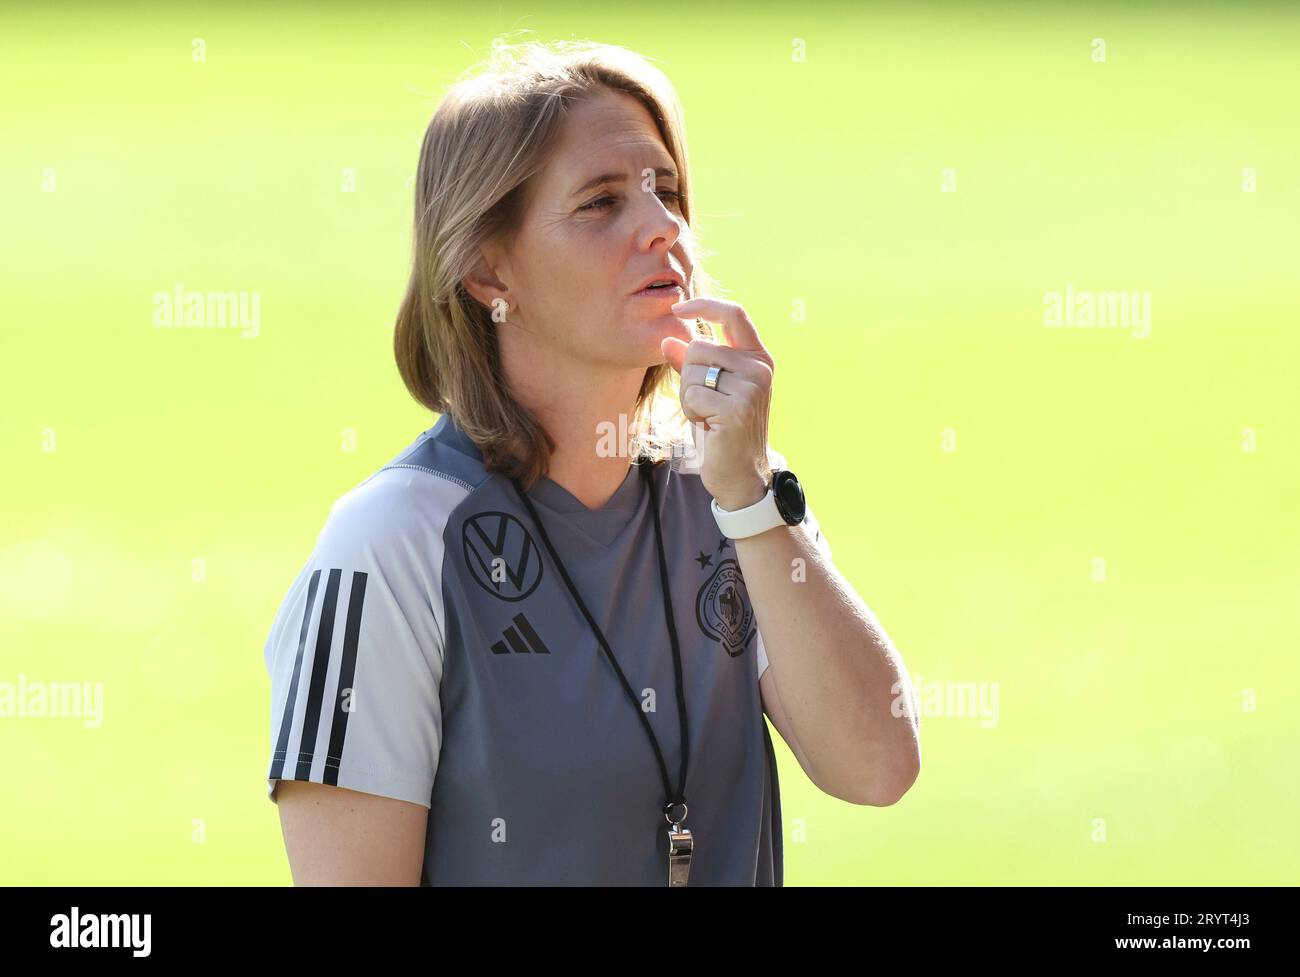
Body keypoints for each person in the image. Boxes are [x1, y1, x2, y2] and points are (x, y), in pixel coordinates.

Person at [263, 39, 920, 886]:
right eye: (601, 203)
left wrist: (754, 503)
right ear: (485, 269)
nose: (666, 230)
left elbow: (876, 766)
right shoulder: (388, 544)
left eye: (667, 191)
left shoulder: (733, 496)